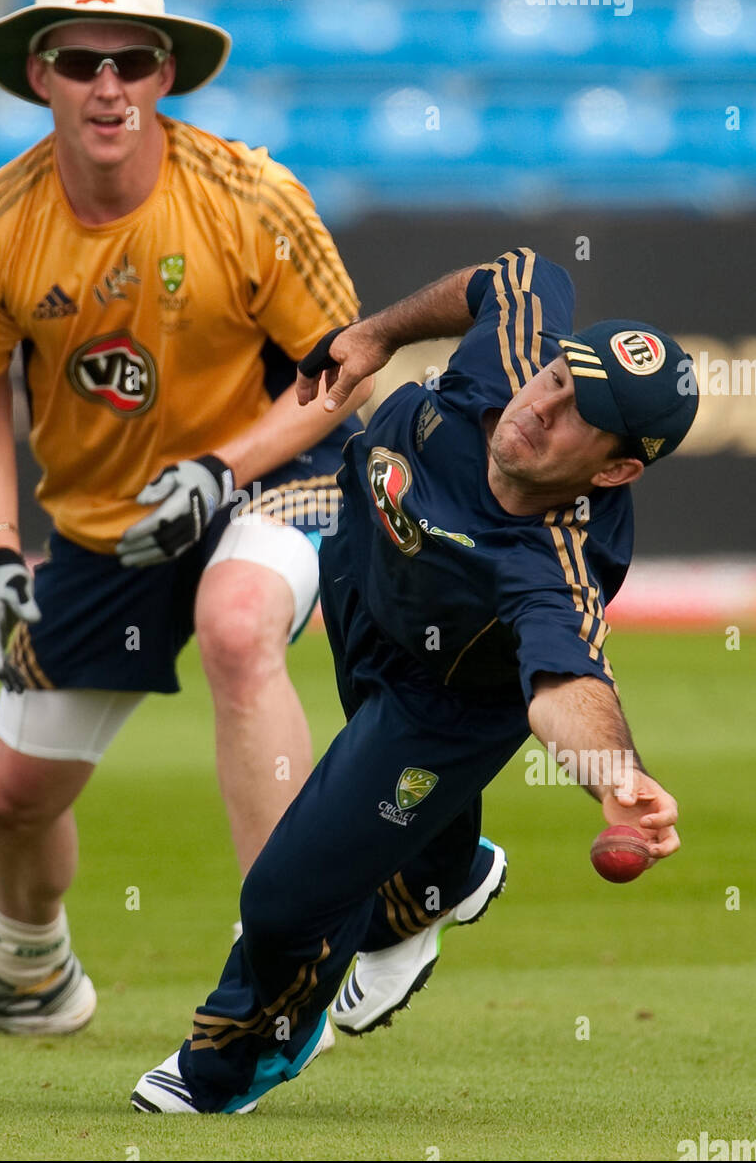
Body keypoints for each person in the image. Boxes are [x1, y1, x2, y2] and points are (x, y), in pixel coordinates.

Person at [0, 0, 374, 1034]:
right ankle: (29, 971)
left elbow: (343, 368)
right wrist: (0, 550)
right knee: (10, 798)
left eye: (131, 60)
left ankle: (286, 960)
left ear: (165, 74)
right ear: (38, 74)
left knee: (237, 627)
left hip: (266, 472)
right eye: (80, 61)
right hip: (109, 527)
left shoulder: (251, 197)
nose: (108, 85)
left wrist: (223, 469)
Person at [130, 246, 698, 1113]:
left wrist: (615, 780)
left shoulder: (551, 563)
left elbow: (565, 683)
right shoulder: (508, 360)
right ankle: (448, 879)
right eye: (556, 374)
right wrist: (374, 335)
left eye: (580, 413)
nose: (538, 405)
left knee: (284, 901)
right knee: (401, 836)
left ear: (615, 468)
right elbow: (517, 273)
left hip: (443, 703)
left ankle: (240, 1061)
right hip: (363, 591)